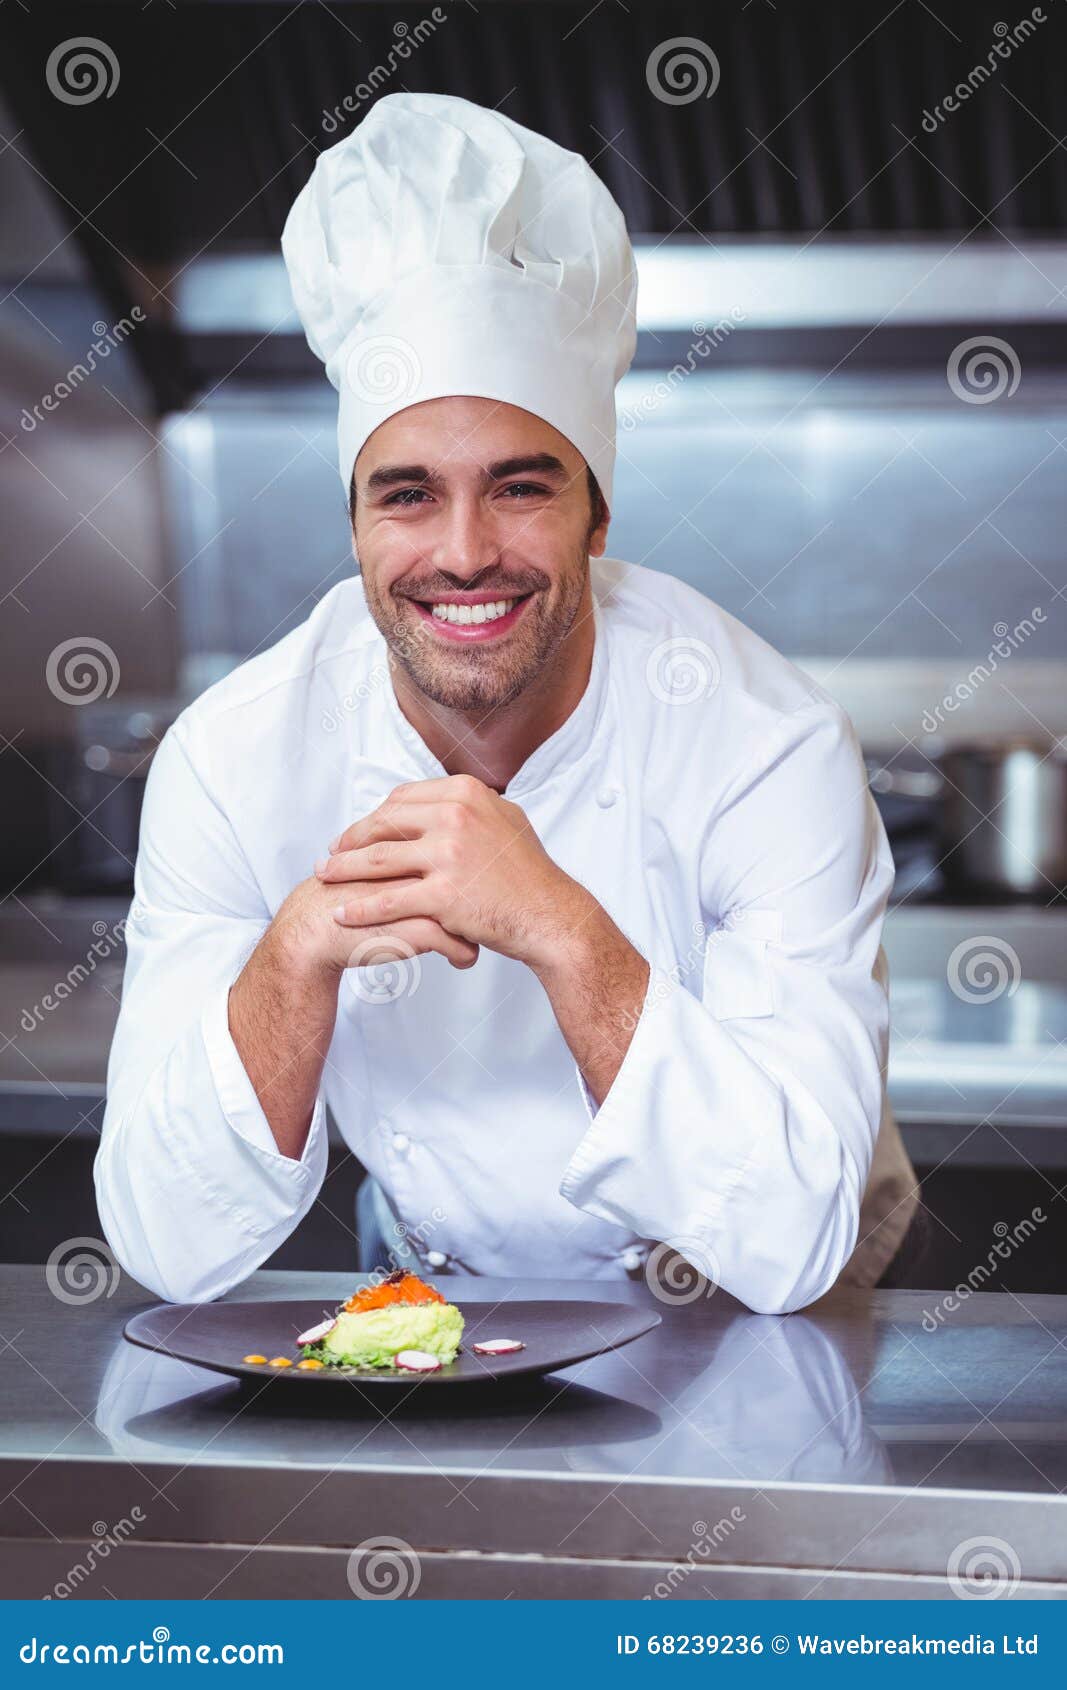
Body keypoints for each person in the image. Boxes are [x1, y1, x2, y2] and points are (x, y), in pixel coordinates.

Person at [95, 93, 918, 1313]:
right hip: (445, 1321)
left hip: (760, 1320)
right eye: (409, 494)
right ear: (357, 524)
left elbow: (791, 1233)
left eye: (520, 488)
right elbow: (165, 1243)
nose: (465, 553)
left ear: (596, 510)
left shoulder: (760, 741)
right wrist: (294, 956)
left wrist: (556, 924)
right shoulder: (236, 757)